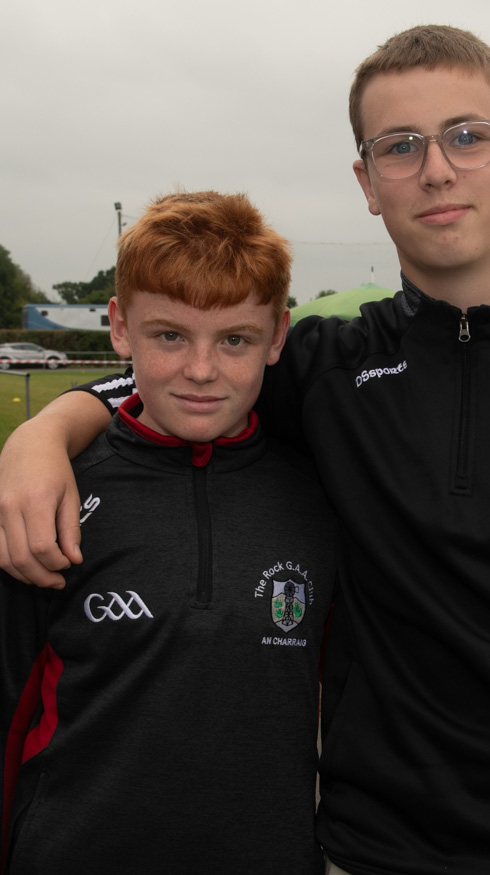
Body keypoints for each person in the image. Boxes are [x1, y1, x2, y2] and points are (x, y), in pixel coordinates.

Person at [0, 24, 490, 875]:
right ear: (366, 180)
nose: (436, 168)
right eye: (400, 145)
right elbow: (175, 383)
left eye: (469, 136)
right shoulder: (324, 369)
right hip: (373, 853)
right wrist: (42, 434)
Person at [0, 191, 336, 875]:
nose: (202, 370)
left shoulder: (322, 495)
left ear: (277, 336)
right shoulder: (50, 493)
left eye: (235, 339)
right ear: (121, 328)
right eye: (170, 335)